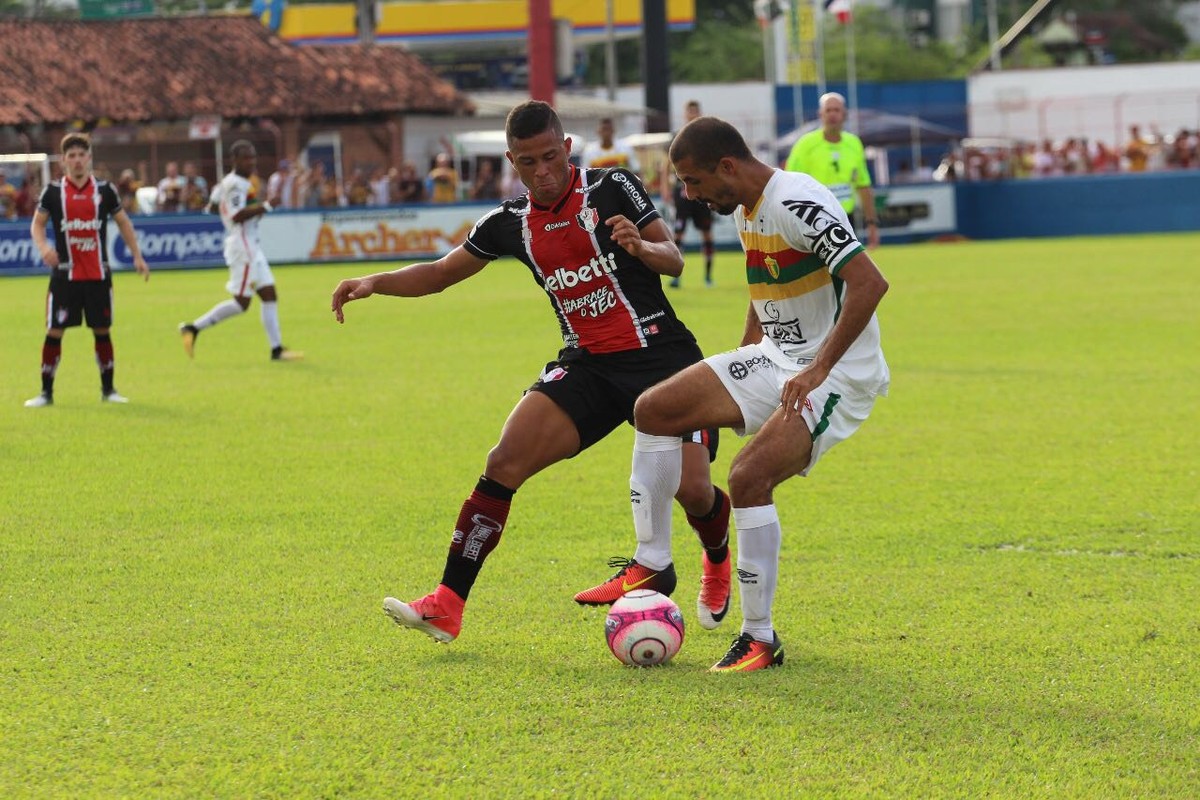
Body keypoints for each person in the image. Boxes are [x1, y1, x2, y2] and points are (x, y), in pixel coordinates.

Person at [330, 100, 733, 644]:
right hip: (589, 366)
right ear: (511, 162)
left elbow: (673, 256)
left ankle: (716, 556)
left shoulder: (613, 187)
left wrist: (641, 247)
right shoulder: (508, 222)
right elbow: (441, 273)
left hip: (664, 360)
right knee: (504, 460)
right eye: (527, 163)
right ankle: (446, 604)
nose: (542, 173)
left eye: (550, 158)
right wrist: (374, 282)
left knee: (692, 489)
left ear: (567, 149)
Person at [630, 115, 890, 672]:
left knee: (747, 478)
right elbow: (765, 282)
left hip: (839, 373)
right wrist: (743, 356)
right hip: (778, 359)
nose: (693, 196)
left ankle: (759, 637)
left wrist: (819, 369)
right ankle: (653, 561)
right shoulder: (747, 206)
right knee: (654, 408)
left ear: (727, 166)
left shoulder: (797, 201)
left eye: (695, 183)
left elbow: (871, 283)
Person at [24, 133, 150, 407]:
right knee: (54, 331)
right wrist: (44, 247)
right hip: (64, 276)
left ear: (89, 158)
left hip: (97, 274)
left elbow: (124, 223)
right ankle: (46, 393)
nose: (78, 160)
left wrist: (137, 257)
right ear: (64, 161)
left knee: (102, 329)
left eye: (82, 155)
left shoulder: (105, 191)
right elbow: (36, 225)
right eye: (72, 156)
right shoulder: (53, 192)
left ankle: (109, 390)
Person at [178, 140, 302, 362]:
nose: (251, 162)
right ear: (234, 160)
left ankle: (277, 350)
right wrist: (265, 206)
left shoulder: (226, 183)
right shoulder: (237, 184)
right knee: (241, 303)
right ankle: (193, 328)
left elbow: (212, 206)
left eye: (253, 157)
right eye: (246, 158)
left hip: (251, 244)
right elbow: (235, 215)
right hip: (243, 247)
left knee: (269, 294)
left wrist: (239, 211)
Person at [784, 92, 881, 249]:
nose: (832, 115)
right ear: (820, 114)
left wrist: (871, 223)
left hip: (845, 219)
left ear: (844, 114)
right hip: (813, 220)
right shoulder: (805, 145)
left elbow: (863, 185)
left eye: (836, 110)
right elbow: (788, 184)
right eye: (828, 110)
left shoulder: (854, 143)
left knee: (845, 271)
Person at [660, 100, 715, 288]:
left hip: (703, 191)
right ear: (685, 114)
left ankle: (708, 277)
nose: (692, 115)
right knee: (679, 233)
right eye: (690, 112)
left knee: (707, 234)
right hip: (682, 193)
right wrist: (665, 188)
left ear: (700, 113)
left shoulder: (706, 138)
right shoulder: (678, 136)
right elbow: (666, 164)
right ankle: (676, 276)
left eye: (695, 112)